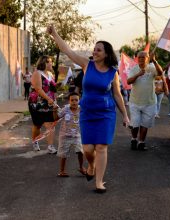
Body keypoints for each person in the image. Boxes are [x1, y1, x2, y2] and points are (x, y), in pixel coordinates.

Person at [47, 25, 130, 193]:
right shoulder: (87, 65)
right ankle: (91, 165)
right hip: (87, 113)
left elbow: (117, 95)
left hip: (106, 114)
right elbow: (68, 50)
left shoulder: (113, 73)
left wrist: (125, 116)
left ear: (106, 54)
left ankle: (99, 182)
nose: (95, 52)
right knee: (87, 149)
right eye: (94, 49)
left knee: (101, 147)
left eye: (99, 50)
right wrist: (54, 34)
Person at [127, 51, 163, 151]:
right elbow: (128, 81)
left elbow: (160, 73)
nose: (141, 59)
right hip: (135, 102)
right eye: (140, 58)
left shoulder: (151, 68)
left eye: (144, 57)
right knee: (135, 123)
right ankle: (134, 139)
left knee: (145, 124)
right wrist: (138, 74)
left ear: (148, 58)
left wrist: (155, 61)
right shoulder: (134, 69)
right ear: (137, 59)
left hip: (149, 102)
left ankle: (141, 142)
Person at [28, 55, 57, 154]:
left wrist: (54, 100)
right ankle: (35, 141)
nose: (51, 63)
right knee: (37, 125)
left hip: (49, 103)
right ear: (43, 63)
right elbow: (38, 89)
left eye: (51, 62)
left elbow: (53, 89)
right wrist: (49, 99)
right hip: (37, 103)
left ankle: (50, 146)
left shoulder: (50, 74)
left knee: (50, 125)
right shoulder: (37, 73)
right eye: (49, 62)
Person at [53, 92, 86, 177]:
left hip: (76, 135)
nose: (74, 102)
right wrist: (54, 110)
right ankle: (62, 171)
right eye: (72, 100)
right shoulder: (65, 109)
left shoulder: (81, 109)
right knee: (63, 155)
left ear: (79, 101)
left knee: (80, 152)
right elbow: (56, 118)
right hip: (64, 136)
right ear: (69, 101)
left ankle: (81, 167)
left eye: (76, 100)